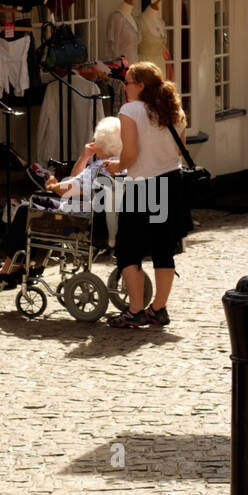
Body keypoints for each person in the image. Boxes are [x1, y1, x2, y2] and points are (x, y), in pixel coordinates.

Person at [0, 117, 123, 289]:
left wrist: (53, 185)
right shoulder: (120, 165)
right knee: (40, 202)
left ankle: (9, 271)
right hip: (97, 216)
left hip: (82, 219)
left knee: (26, 210)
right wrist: (85, 156)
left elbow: (67, 189)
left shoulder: (99, 168)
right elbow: (75, 180)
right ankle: (26, 266)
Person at [103, 61, 189, 330]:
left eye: (127, 82)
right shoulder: (173, 110)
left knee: (128, 248)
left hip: (143, 185)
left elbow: (130, 154)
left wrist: (117, 166)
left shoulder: (130, 110)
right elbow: (179, 151)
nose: (124, 87)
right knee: (164, 249)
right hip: (171, 182)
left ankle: (136, 310)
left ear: (140, 85)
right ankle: (159, 309)